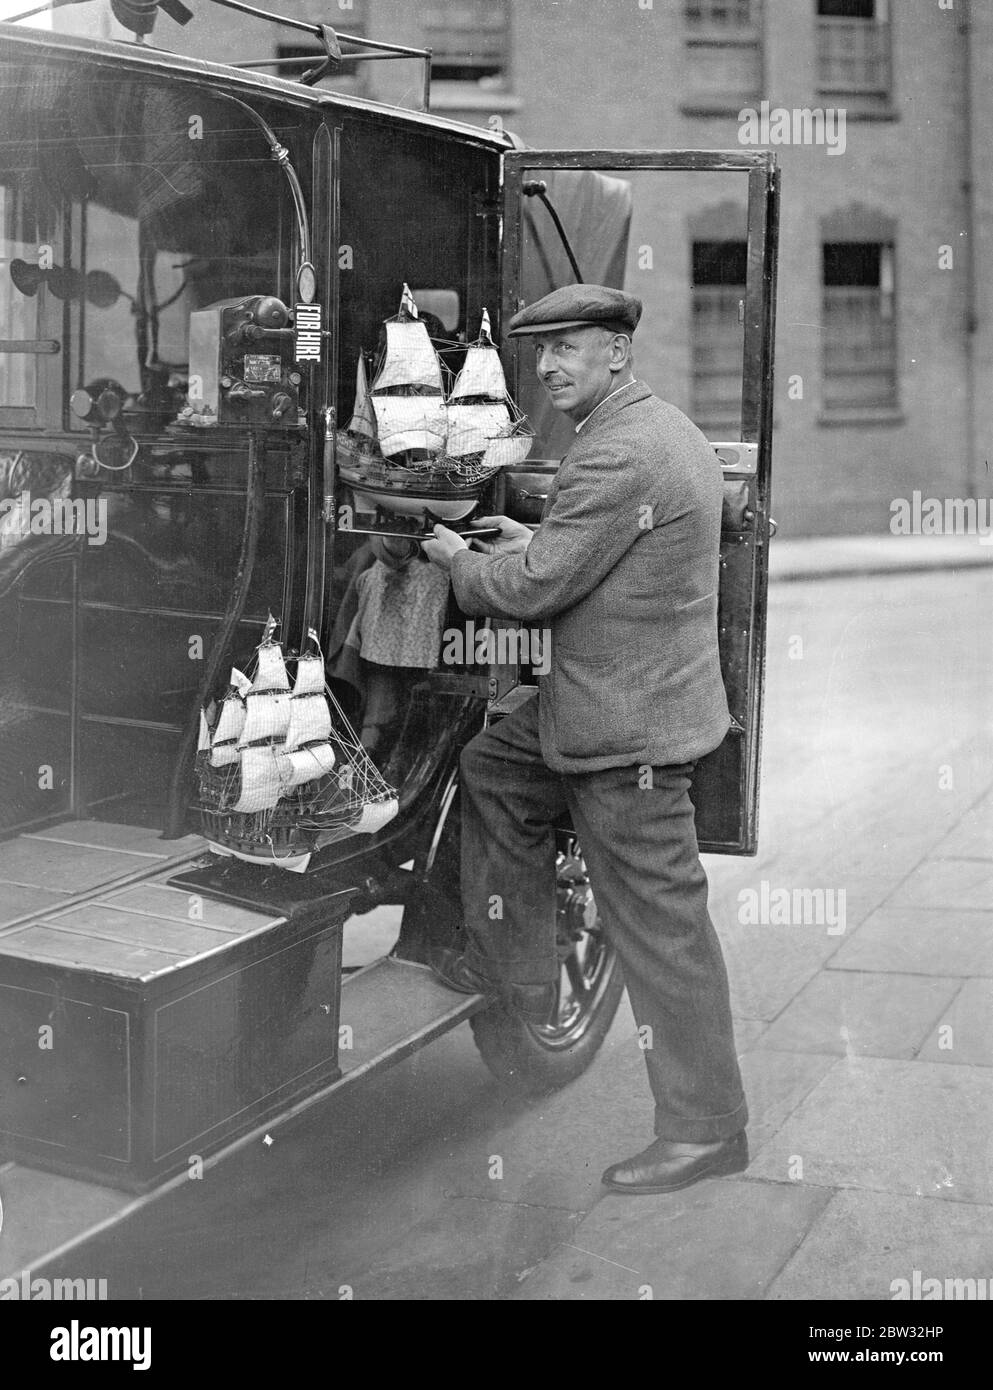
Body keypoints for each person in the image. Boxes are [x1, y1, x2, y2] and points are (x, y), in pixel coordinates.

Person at [421, 284, 748, 1195]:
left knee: (662, 934)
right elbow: (596, 552)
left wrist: (462, 561)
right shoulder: (651, 428)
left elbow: (532, 592)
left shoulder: (618, 453)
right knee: (491, 765)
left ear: (617, 352)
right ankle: (516, 970)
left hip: (625, 731)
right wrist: (530, 536)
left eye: (569, 348)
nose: (550, 367)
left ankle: (706, 1129)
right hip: (607, 701)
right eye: (541, 351)